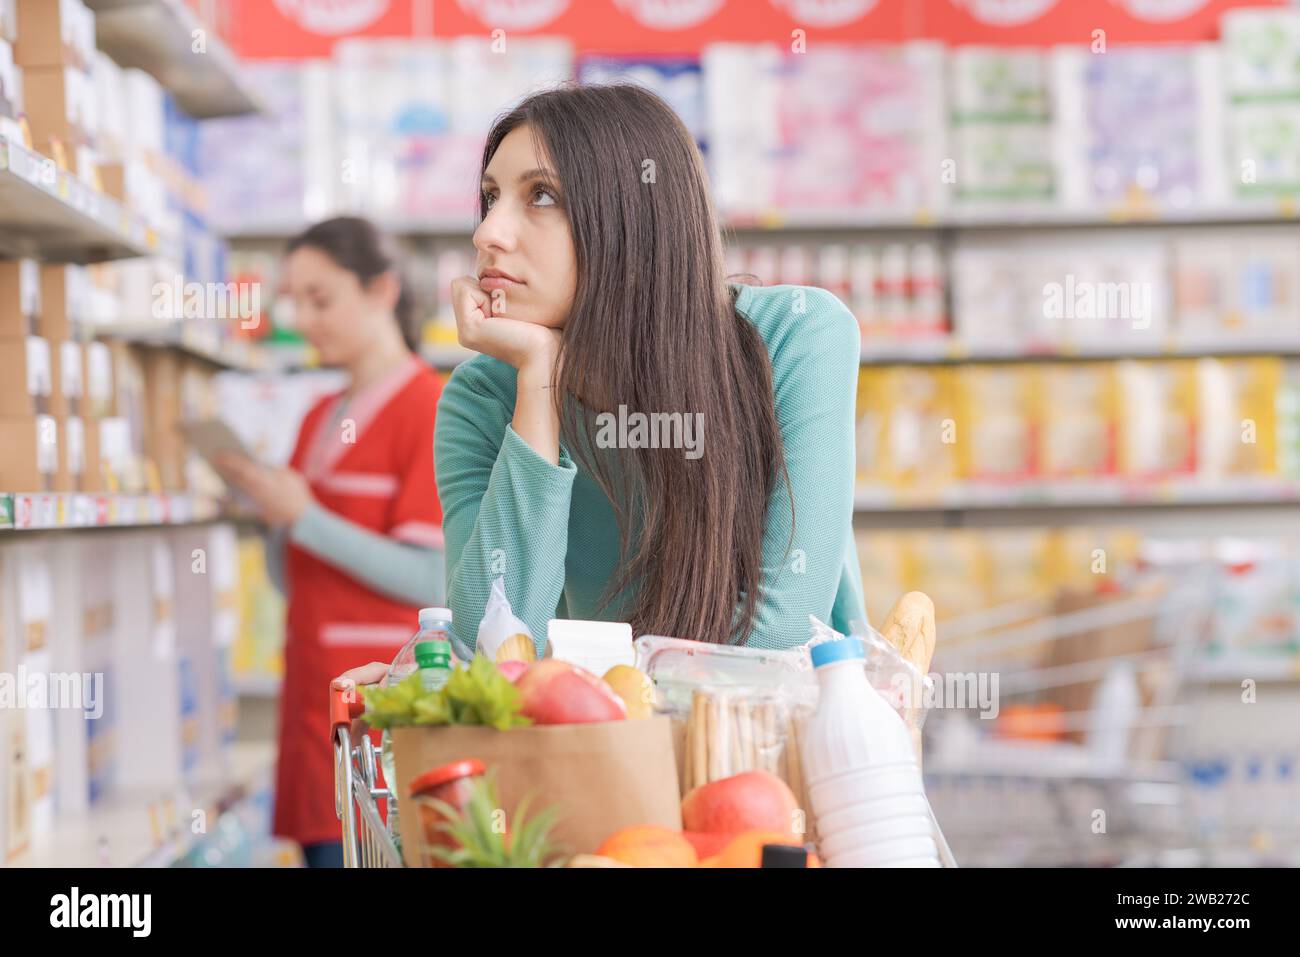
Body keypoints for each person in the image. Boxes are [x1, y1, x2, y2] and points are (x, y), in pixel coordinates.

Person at [434, 83, 866, 653]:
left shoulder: (797, 333)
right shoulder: (484, 399)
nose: (486, 233)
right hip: (612, 736)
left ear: (637, 219)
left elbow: (783, 636)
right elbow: (488, 655)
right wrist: (538, 379)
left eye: (540, 196)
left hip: (782, 734)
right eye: (491, 197)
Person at [217, 216, 445, 868]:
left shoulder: (429, 408)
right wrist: (272, 517)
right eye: (294, 300)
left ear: (382, 291)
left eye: (322, 299)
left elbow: (431, 578)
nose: (304, 318)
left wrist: (307, 517)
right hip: (312, 703)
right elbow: (295, 578)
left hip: (382, 706)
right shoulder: (318, 415)